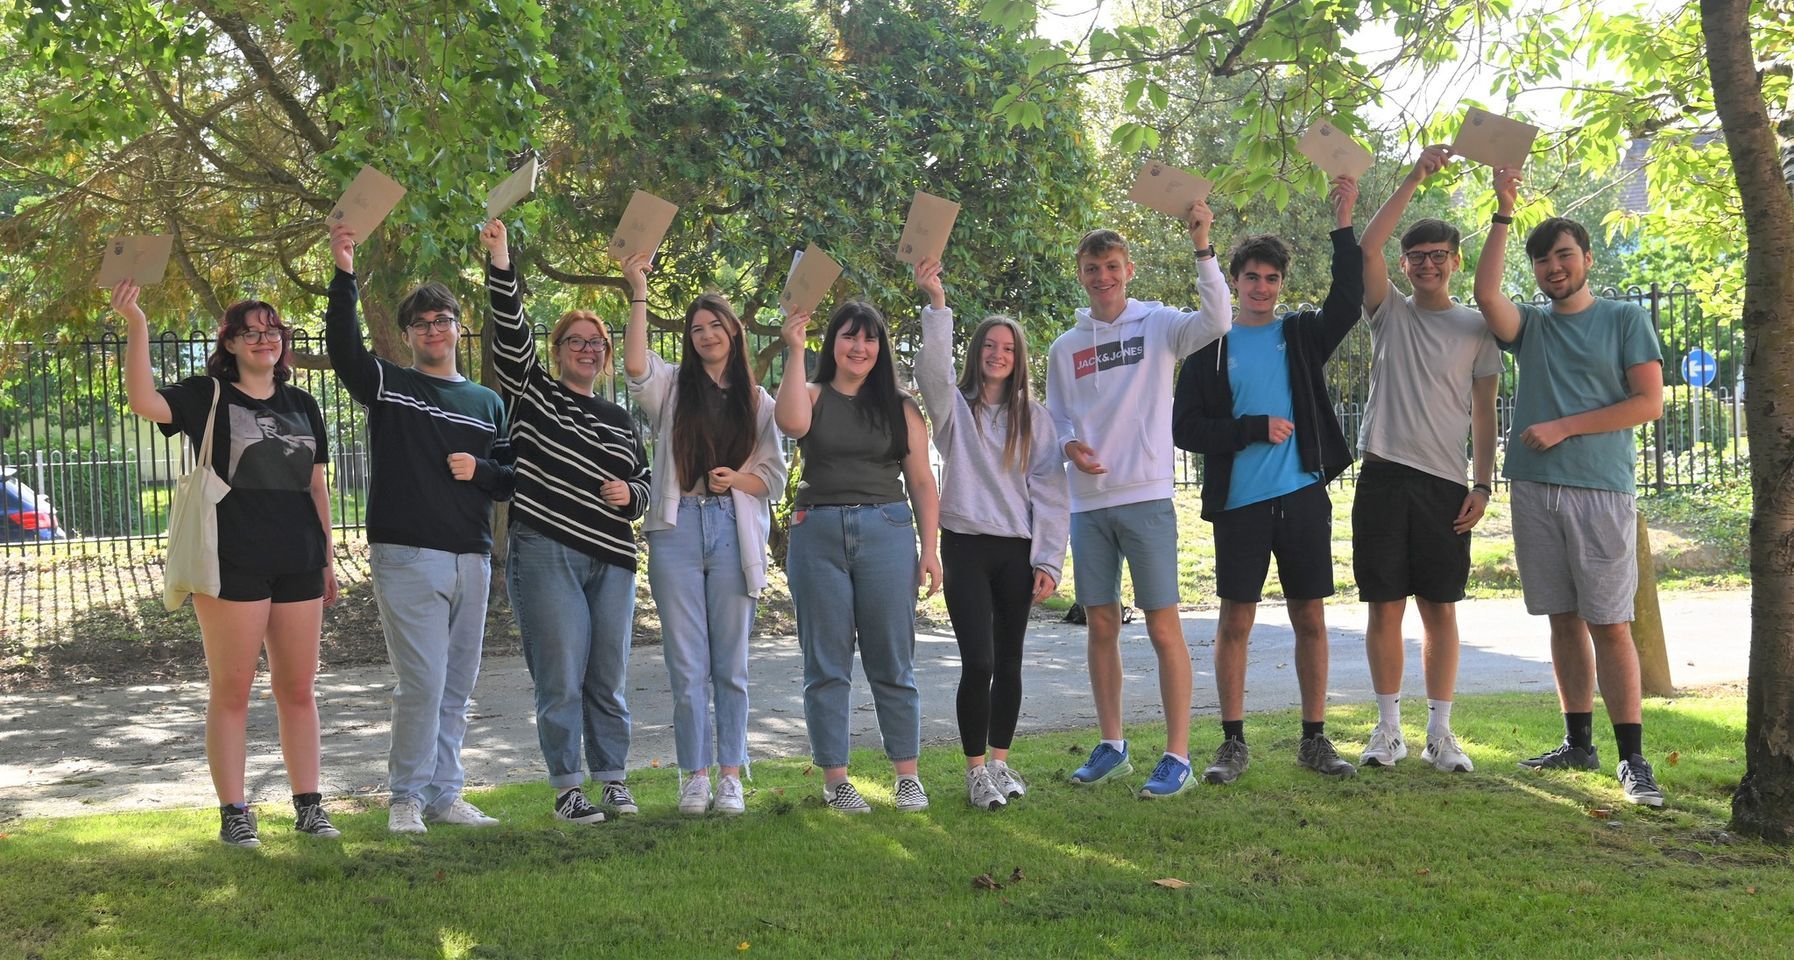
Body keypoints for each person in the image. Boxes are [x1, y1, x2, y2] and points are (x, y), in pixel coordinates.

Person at [114, 280, 340, 847]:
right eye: (252, 332)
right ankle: (234, 812)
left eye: (273, 331)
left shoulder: (302, 403)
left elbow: (317, 486)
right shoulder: (208, 394)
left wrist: (328, 560)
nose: (266, 340)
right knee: (232, 689)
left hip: (299, 562)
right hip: (229, 561)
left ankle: (309, 805)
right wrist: (137, 323)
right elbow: (144, 402)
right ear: (231, 343)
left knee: (298, 689)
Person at [1472, 168, 1666, 806]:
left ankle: (1633, 760)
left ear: (1585, 258)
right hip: (1534, 490)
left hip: (1599, 491)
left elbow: (1648, 403)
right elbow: (1484, 292)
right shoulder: (1532, 326)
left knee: (1609, 622)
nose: (1554, 267)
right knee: (1560, 617)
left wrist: (1563, 427)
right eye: (1543, 260)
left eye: (1564, 255)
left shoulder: (1623, 318)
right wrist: (1504, 212)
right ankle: (1578, 743)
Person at [1171, 176, 1364, 785]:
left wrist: (1344, 222)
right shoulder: (1210, 345)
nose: (1260, 287)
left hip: (1302, 495)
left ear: (1282, 284)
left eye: (1271, 278)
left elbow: (1349, 299)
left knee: (1311, 617)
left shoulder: (1300, 335)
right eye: (1250, 278)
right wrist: (1249, 427)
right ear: (1234, 282)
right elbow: (1185, 428)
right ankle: (1232, 743)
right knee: (1236, 622)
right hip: (1240, 505)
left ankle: (1314, 739)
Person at [326, 223, 514, 834]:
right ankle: (405, 797)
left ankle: (444, 794)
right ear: (408, 335)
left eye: (444, 319)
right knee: (423, 682)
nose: (434, 329)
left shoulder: (487, 402)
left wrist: (479, 468)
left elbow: (511, 476)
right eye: (422, 323)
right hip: (407, 555)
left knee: (457, 686)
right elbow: (344, 351)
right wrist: (344, 274)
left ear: (460, 327)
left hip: (472, 558)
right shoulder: (391, 385)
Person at [1045, 200, 1230, 798]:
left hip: (1146, 497)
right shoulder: (1064, 346)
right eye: (1092, 268)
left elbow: (1218, 320)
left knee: (1162, 626)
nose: (1103, 276)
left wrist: (1203, 245)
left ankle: (1177, 755)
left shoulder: (1158, 324)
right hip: (1089, 504)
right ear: (1081, 275)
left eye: (1113, 266)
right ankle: (1113, 745)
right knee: (1101, 623)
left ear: (1129, 270)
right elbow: (1056, 420)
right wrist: (1071, 447)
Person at [480, 220, 652, 823]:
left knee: (607, 678)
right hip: (547, 549)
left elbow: (646, 485)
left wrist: (629, 493)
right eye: (575, 341)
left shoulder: (619, 419)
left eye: (596, 344)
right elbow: (509, 334)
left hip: (613, 558)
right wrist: (501, 259)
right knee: (559, 677)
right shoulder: (533, 393)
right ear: (556, 352)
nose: (587, 349)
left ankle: (613, 780)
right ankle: (567, 789)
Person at [620, 253, 787, 817]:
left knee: (730, 665)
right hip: (678, 528)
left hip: (732, 529)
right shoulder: (671, 386)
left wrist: (738, 478)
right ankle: (694, 776)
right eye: (697, 328)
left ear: (734, 332)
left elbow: (775, 478)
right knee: (687, 664)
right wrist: (638, 291)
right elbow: (636, 366)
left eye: (716, 325)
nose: (707, 334)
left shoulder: (759, 401)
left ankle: (733, 775)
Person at [1353, 146, 1502, 774]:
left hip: (1447, 483)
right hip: (1384, 473)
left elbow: (1486, 409)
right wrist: (1414, 177)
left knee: (1440, 609)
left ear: (1455, 262)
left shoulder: (1477, 326)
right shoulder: (1388, 314)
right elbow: (1367, 247)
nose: (1425, 265)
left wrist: (1485, 482)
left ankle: (1440, 732)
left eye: (1438, 256)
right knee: (1384, 605)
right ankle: (1388, 728)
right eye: (1416, 257)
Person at [911, 257, 1069, 810]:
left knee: (1011, 662)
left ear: (1018, 358)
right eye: (988, 347)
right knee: (979, 662)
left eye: (1008, 348)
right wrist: (937, 306)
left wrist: (1048, 559)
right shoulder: (957, 412)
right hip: (965, 547)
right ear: (977, 354)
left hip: (1017, 552)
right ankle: (975, 770)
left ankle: (1001, 763)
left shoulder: (1036, 418)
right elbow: (931, 372)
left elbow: (1051, 491)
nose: (998, 355)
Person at [774, 298, 942, 814]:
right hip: (817, 533)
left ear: (880, 348)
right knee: (826, 664)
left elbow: (920, 480)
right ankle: (836, 781)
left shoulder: (901, 407)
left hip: (887, 531)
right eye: (849, 336)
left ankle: (907, 777)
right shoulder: (812, 393)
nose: (859, 347)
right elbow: (790, 424)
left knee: (893, 659)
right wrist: (794, 348)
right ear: (834, 343)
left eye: (869, 338)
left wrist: (931, 549)